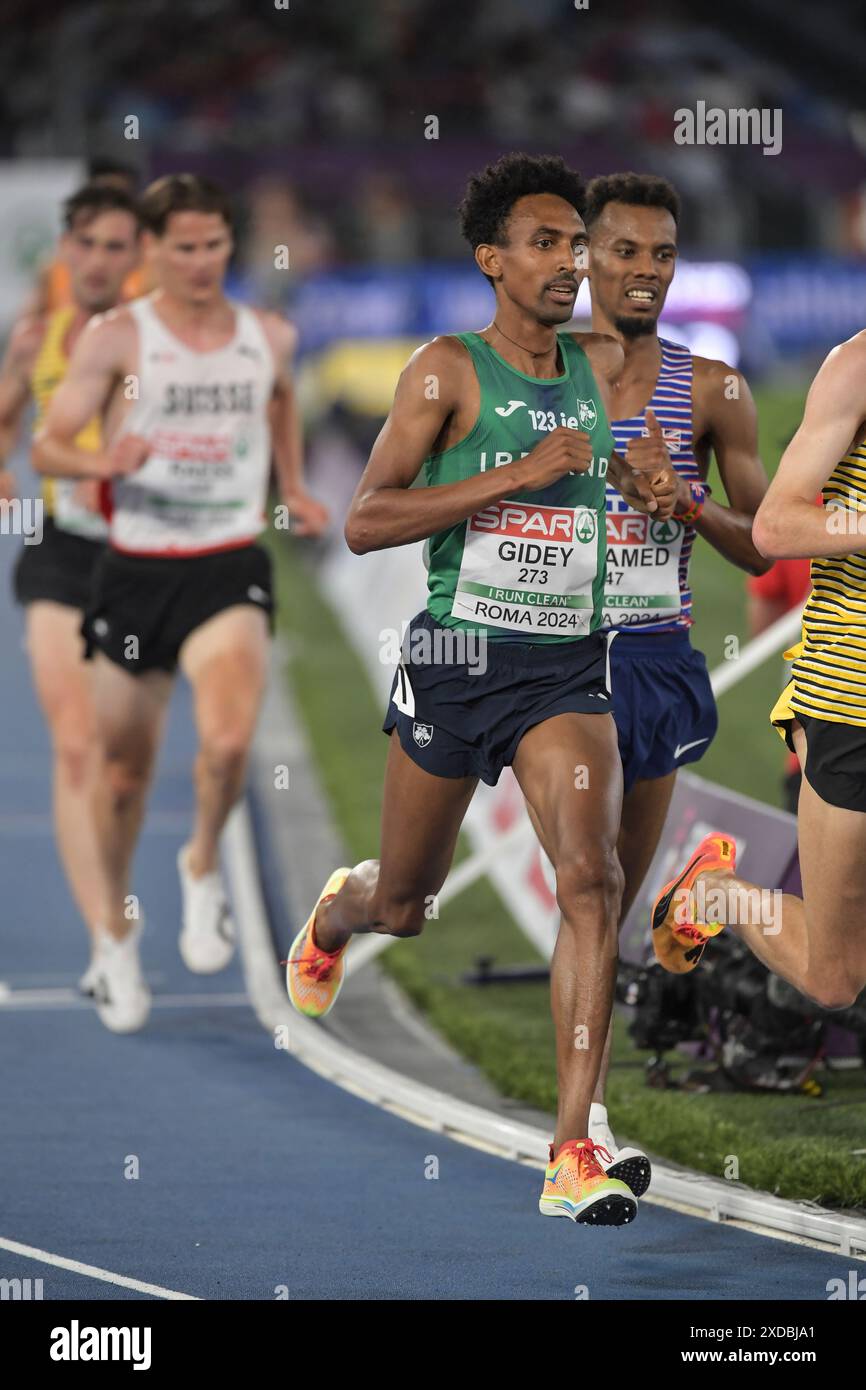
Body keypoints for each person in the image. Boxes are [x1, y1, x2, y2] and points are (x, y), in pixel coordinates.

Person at [285, 153, 677, 1226]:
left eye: (575, 244)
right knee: (408, 905)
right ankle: (341, 907)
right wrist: (513, 475)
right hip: (458, 662)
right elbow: (365, 520)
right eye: (545, 245)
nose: (569, 263)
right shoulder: (444, 370)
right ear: (491, 260)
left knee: (591, 880)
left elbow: (617, 488)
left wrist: (648, 493)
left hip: (564, 667)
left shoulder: (600, 369)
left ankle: (568, 1151)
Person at [34, 173, 328, 1033]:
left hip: (226, 562)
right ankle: (116, 937)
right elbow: (50, 446)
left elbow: (278, 405)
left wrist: (296, 486)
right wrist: (101, 463)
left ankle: (203, 867)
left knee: (230, 738)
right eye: (183, 247)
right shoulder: (116, 338)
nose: (201, 263)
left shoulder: (267, 335)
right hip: (133, 571)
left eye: (214, 246)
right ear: (153, 250)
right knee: (120, 771)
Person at [531, 173, 771, 1193]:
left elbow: (762, 545)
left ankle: (687, 898)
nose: (644, 271)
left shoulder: (712, 389)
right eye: (623, 251)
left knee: (609, 899)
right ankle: (578, 1130)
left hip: (656, 657)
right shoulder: (531, 370)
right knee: (583, 888)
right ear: (584, 259)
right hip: (547, 657)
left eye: (661, 255)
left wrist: (682, 505)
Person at [652, 330, 866, 1022]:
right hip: (849, 697)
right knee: (833, 978)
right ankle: (714, 892)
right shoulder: (855, 367)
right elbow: (775, 525)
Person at [0, 182, 143, 992]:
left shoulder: (154, 340)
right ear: (65, 253)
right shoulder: (35, 339)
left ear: (135, 258)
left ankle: (116, 902)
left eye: (114, 247)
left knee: (123, 762)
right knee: (77, 742)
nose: (95, 261)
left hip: (136, 559)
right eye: (82, 245)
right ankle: (106, 940)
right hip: (56, 552)